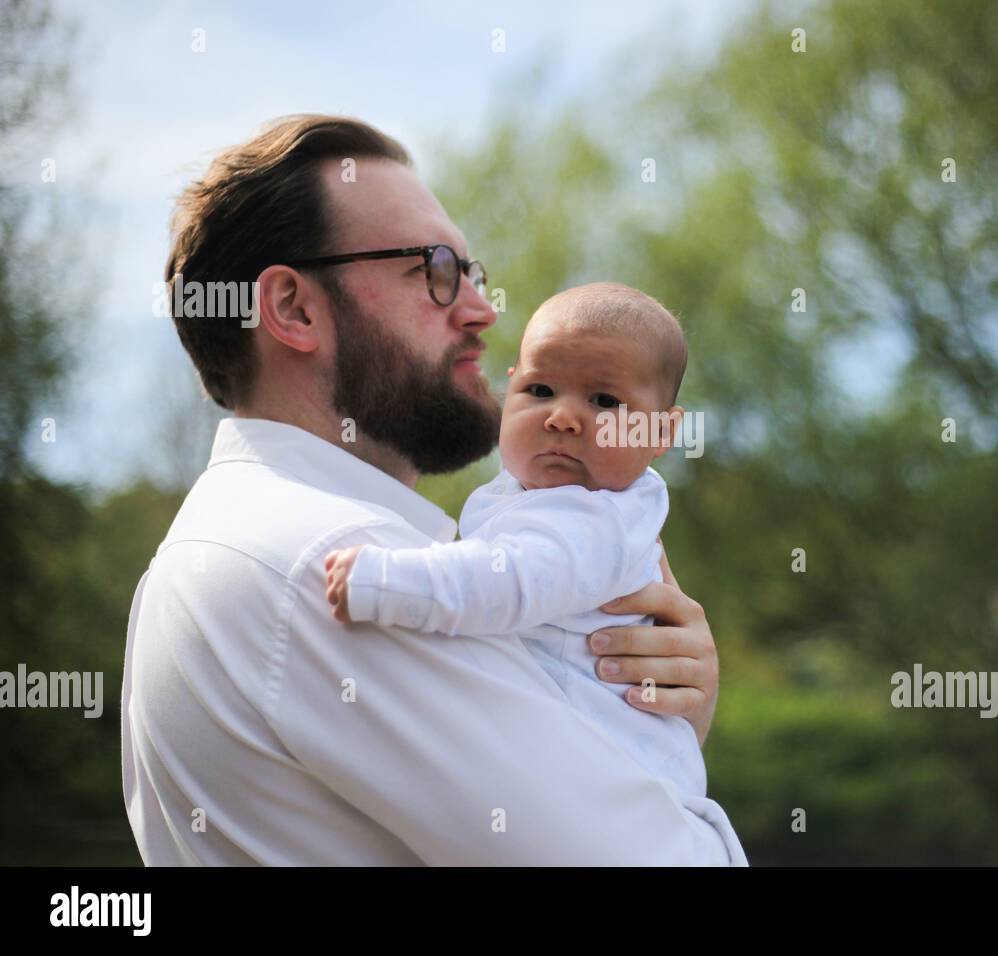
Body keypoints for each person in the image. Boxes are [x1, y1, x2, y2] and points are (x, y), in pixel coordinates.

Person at [121, 115, 746, 865]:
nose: (483, 311)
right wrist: (669, 762)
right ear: (292, 309)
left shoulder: (213, 551)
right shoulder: (337, 567)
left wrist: (638, 718)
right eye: (435, 269)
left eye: (472, 275)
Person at [325, 282, 710, 804]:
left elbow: (504, 582)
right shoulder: (529, 494)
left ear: (661, 433)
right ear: (510, 392)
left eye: (604, 400)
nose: (562, 417)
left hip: (617, 788)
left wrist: (385, 580)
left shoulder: (594, 521)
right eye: (541, 391)